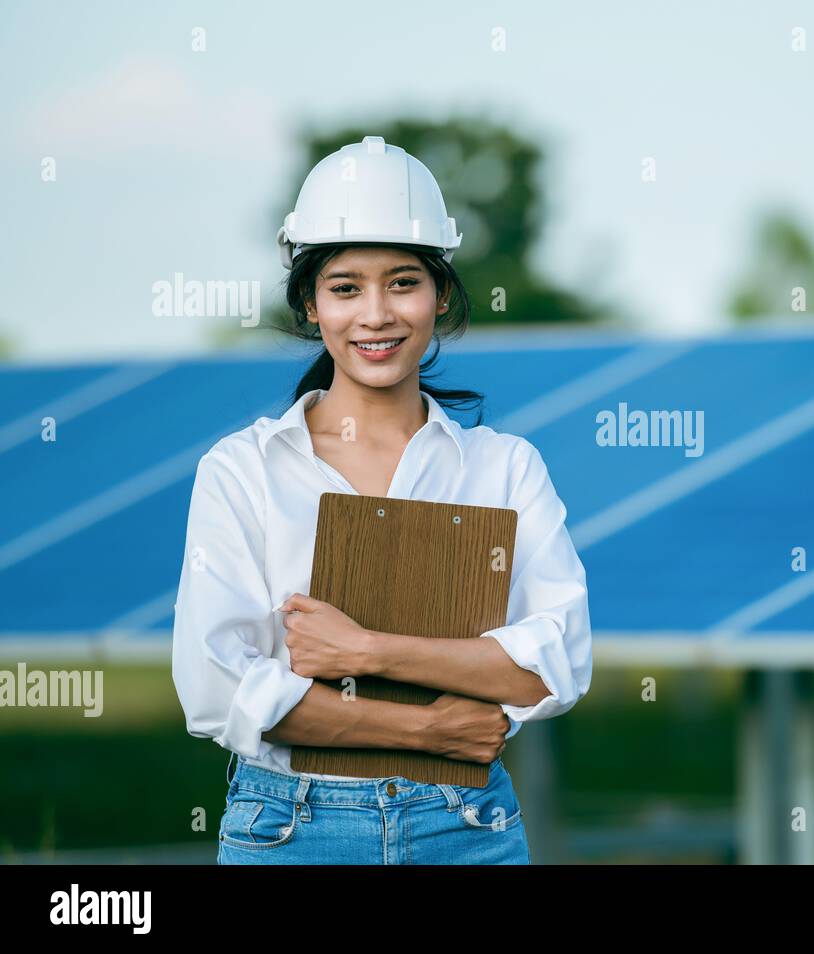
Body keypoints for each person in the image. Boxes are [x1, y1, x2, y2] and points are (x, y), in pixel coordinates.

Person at [171, 136, 592, 864]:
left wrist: (366, 650)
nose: (376, 314)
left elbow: (551, 666)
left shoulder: (505, 470)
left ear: (442, 295)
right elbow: (216, 689)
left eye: (403, 282)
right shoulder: (243, 471)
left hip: (465, 828)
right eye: (345, 288)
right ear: (310, 303)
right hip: (289, 829)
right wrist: (427, 730)